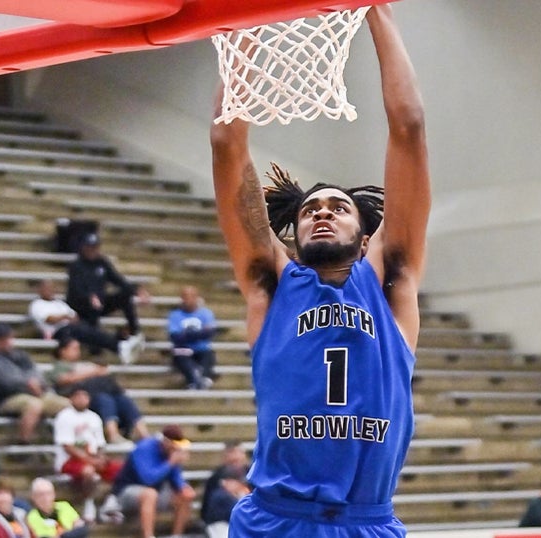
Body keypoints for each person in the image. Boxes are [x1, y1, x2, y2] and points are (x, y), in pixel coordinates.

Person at [210, 5, 429, 536]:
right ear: (296, 233)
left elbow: (409, 126)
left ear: (365, 233)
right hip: (276, 520)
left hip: (365, 521)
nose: (323, 212)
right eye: (310, 209)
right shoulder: (271, 283)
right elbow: (225, 143)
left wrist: (379, 13)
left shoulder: (390, 282)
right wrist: (242, 29)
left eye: (337, 206)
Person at [0, 323, 70, 444]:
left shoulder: (20, 355)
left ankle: (64, 440)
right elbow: (6, 380)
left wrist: (37, 383)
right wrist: (28, 383)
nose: (7, 341)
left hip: (35, 392)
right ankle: (23, 442)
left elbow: (35, 372)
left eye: (8, 338)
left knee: (66, 405)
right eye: (3, 339)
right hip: (6, 398)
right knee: (34, 405)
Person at [48, 337, 149, 443]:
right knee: (105, 399)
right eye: (74, 348)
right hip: (78, 396)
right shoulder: (59, 366)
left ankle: (144, 435)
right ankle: (113, 434)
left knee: (123, 400)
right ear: (63, 350)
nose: (78, 351)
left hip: (95, 393)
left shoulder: (84, 365)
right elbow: (63, 380)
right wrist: (93, 372)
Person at [101, 425, 195, 538]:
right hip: (126, 491)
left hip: (157, 491)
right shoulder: (144, 448)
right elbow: (147, 479)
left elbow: (177, 481)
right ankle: (148, 536)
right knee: (150, 494)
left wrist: (183, 487)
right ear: (166, 442)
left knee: (186, 494)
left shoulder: (171, 453)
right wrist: (170, 462)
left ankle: (176, 535)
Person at [29, 279, 144, 365]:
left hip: (71, 327)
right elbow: (49, 319)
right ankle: (119, 346)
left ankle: (119, 345)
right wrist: (65, 317)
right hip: (56, 332)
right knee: (81, 330)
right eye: (47, 288)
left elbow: (74, 316)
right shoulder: (37, 305)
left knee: (87, 327)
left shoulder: (59, 303)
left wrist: (68, 318)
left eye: (52, 288)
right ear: (40, 290)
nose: (50, 291)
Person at [52, 387, 123, 523]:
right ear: (71, 398)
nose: (82, 399)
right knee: (88, 471)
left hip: (92, 457)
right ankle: (88, 504)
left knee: (122, 469)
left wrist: (100, 457)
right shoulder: (65, 416)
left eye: (85, 396)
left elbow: (100, 444)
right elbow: (68, 446)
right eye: (78, 396)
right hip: (70, 460)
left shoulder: (94, 417)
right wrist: (90, 460)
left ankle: (111, 504)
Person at [65, 233, 150, 343]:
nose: (93, 250)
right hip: (80, 305)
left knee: (125, 295)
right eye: (90, 247)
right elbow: (76, 289)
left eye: (95, 247)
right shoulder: (76, 266)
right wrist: (89, 297)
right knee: (92, 308)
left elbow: (117, 279)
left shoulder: (102, 263)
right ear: (84, 248)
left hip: (100, 302)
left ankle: (134, 330)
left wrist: (137, 291)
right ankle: (95, 344)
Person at [168, 286, 218, 390]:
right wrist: (199, 334)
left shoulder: (206, 313)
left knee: (209, 354)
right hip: (184, 349)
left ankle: (204, 378)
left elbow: (210, 333)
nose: (188, 300)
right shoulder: (175, 315)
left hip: (202, 349)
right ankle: (194, 378)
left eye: (191, 296)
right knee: (179, 355)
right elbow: (175, 337)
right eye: (185, 297)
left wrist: (187, 335)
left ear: (196, 298)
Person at [200, 441, 249, 529]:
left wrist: (241, 489)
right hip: (222, 523)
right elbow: (207, 507)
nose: (235, 457)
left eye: (238, 456)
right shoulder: (215, 478)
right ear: (225, 458)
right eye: (232, 460)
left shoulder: (253, 475)